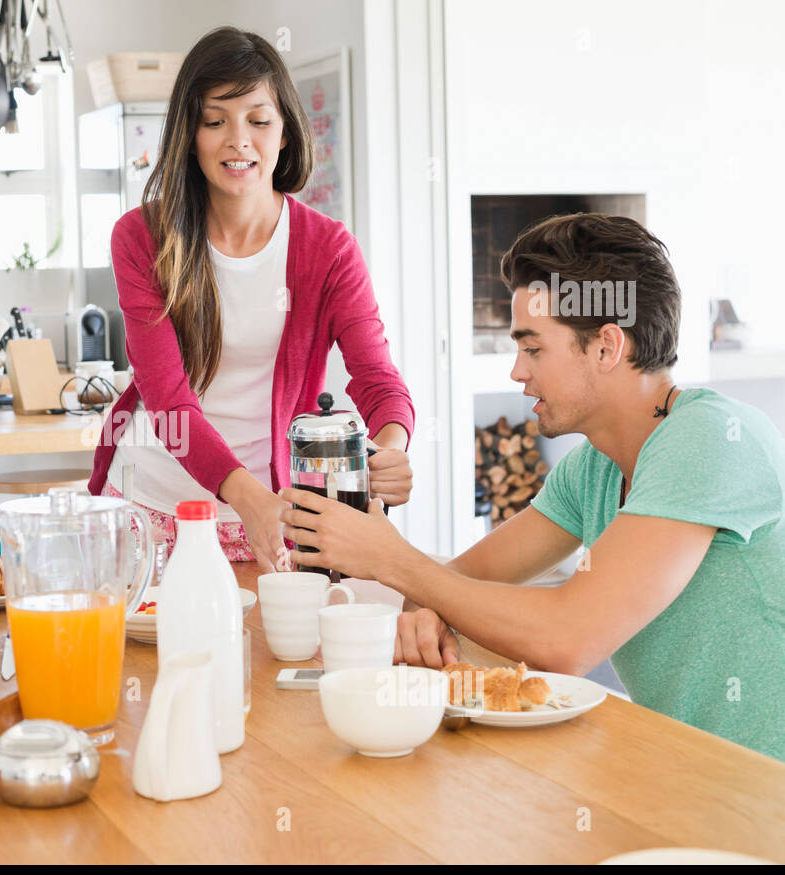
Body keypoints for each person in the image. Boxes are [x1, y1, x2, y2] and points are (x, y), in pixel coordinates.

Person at [280, 213, 785, 761]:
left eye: (534, 348)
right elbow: (462, 578)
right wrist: (424, 605)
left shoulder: (712, 439)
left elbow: (567, 640)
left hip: (758, 798)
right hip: (674, 771)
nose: (517, 372)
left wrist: (394, 561)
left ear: (606, 347)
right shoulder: (593, 468)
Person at [88, 27, 415, 570]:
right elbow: (167, 399)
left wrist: (392, 447)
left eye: (259, 121)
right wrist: (247, 497)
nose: (239, 140)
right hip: (155, 506)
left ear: (284, 131)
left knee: (275, 654)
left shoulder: (328, 249)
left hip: (276, 510)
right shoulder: (142, 237)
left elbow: (377, 379)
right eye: (215, 121)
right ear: (189, 135)